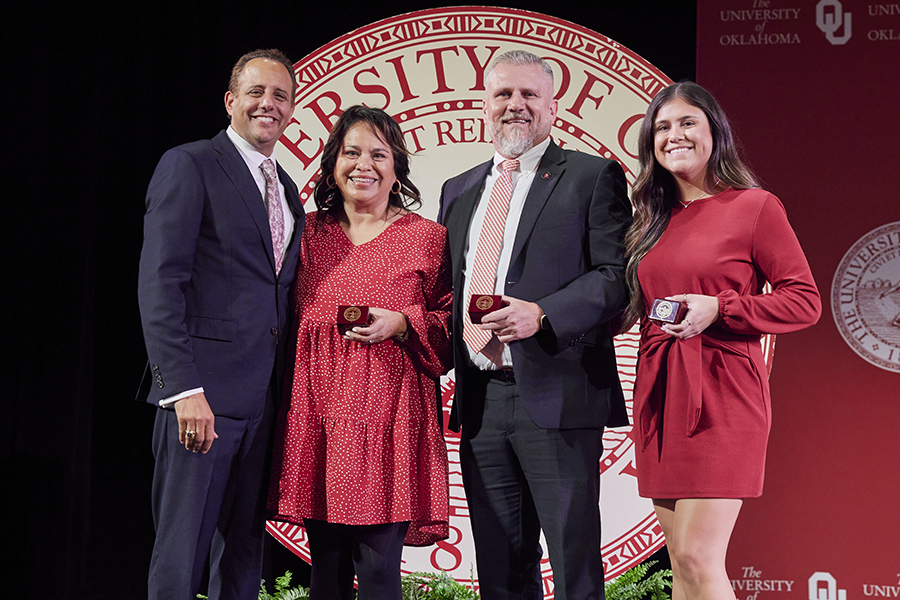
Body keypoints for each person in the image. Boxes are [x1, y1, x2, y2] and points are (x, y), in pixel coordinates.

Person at [438, 50, 632, 600]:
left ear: (553, 107)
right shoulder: (459, 189)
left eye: (528, 95)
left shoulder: (591, 176)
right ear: (485, 107)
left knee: (574, 566)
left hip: (558, 395)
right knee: (499, 571)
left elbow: (616, 276)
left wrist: (543, 314)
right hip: (480, 400)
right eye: (503, 95)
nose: (515, 106)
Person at [621, 81, 821, 600]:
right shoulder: (650, 219)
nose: (674, 135)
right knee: (681, 567)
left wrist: (722, 307)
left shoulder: (755, 206)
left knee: (697, 556)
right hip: (661, 394)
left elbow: (804, 302)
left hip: (723, 392)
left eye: (687, 122)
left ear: (715, 132)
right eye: (661, 127)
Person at [267, 105, 452, 600]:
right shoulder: (304, 235)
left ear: (396, 168)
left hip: (389, 425)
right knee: (325, 569)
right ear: (331, 165)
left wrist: (405, 323)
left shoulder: (429, 240)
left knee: (378, 568)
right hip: (317, 423)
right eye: (351, 153)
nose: (363, 165)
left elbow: (454, 329)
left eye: (378, 154)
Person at [138, 49, 304, 599]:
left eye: (280, 95)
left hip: (264, 402)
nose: (268, 104)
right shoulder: (189, 165)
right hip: (201, 398)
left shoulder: (286, 187)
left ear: (292, 108)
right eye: (256, 92)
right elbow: (161, 284)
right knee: (181, 555)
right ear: (231, 101)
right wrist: (183, 389)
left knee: (242, 561)